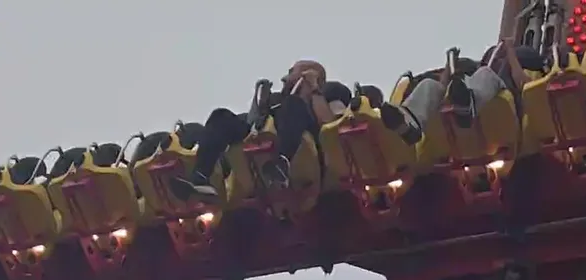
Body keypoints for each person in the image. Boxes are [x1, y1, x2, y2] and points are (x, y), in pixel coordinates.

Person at [170, 61, 355, 202]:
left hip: (311, 155)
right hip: (269, 145)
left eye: (292, 72)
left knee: (293, 104)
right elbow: (254, 127)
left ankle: (282, 164)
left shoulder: (327, 94)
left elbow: (329, 124)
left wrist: (313, 88)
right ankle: (201, 178)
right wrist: (260, 104)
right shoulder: (278, 101)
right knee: (221, 117)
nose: (284, 78)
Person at [377, 41, 546, 146]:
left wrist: (510, 52)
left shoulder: (510, 69)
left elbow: (523, 83)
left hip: (505, 108)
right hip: (468, 110)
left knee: (485, 74)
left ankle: (468, 106)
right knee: (429, 85)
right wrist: (449, 66)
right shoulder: (475, 72)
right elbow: (442, 88)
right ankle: (409, 122)